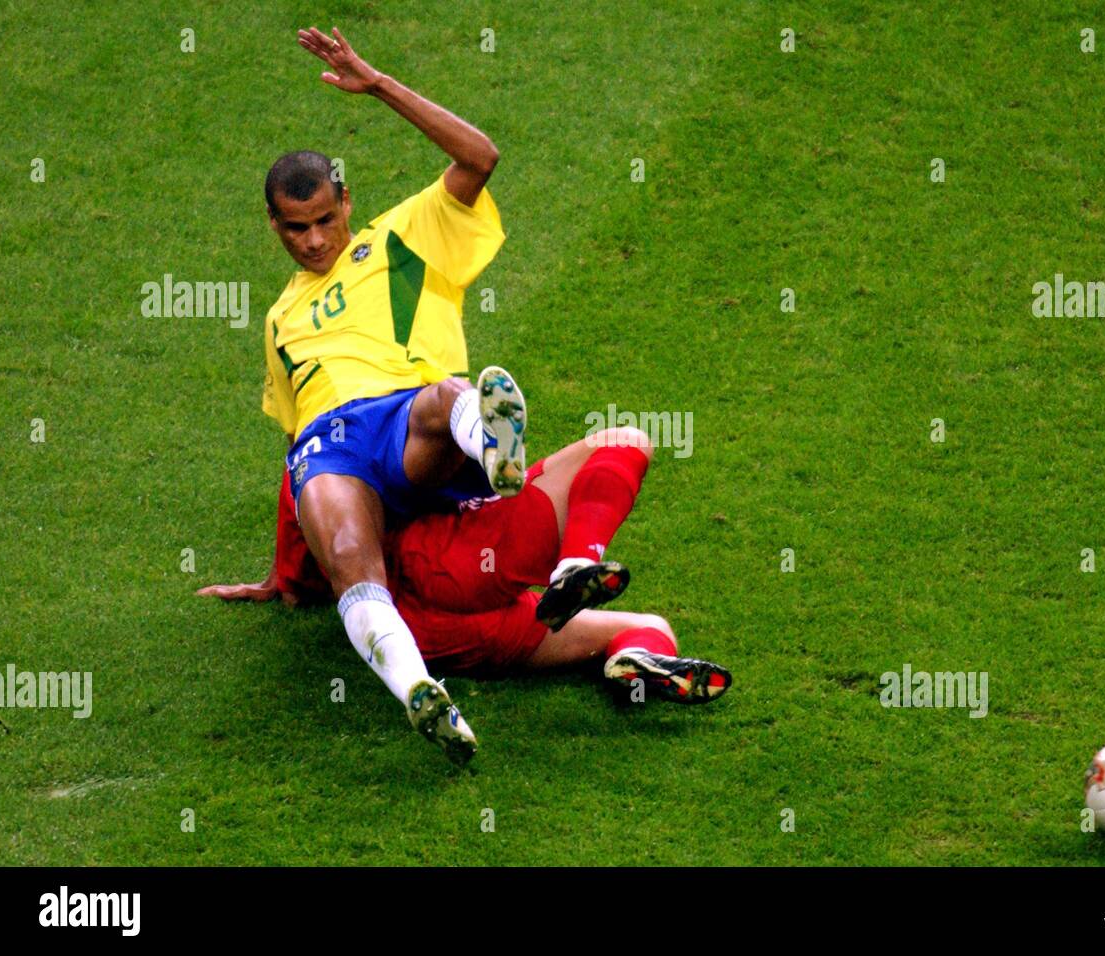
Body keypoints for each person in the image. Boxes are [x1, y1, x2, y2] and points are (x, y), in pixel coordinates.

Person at [259, 25, 520, 763]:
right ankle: (418, 692)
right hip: (329, 449)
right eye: (296, 229)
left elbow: (480, 155)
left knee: (445, 396)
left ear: (347, 200)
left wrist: (377, 85)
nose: (313, 241)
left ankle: (494, 443)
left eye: (325, 220)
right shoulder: (279, 319)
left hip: (408, 421)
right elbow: (289, 444)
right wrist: (283, 567)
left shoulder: (404, 235)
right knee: (346, 553)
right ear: (275, 224)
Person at [199, 428, 733, 732]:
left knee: (645, 623)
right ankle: (575, 567)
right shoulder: (419, 426)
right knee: (625, 439)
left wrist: (283, 579)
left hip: (426, 633)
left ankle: (629, 662)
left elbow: (303, 493)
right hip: (465, 573)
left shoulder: (337, 454)